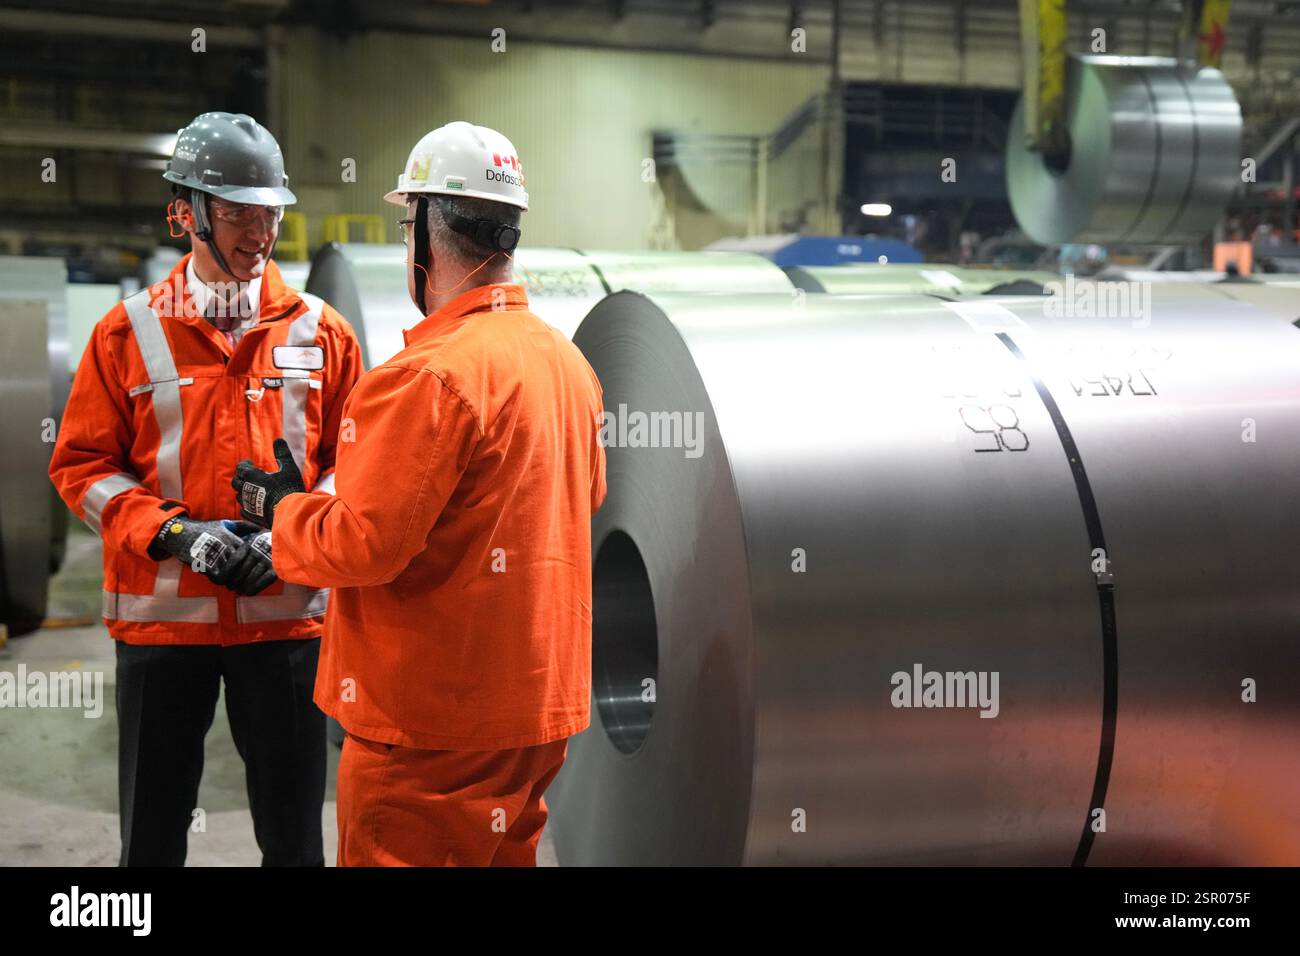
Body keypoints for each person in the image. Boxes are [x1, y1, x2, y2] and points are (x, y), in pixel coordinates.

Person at [231, 121, 607, 866]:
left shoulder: (426, 376)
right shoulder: (566, 364)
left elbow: (363, 545)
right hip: (536, 711)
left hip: (430, 724)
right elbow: (584, 497)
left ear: (430, 231)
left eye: (409, 224)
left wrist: (284, 511)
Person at [48, 111, 364, 866]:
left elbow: (358, 459)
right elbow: (81, 466)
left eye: (271, 212)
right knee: (152, 844)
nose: (260, 233)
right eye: (236, 213)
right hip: (164, 633)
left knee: (294, 844)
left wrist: (289, 526)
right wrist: (174, 533)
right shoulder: (125, 335)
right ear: (183, 212)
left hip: (284, 627)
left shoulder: (323, 334)